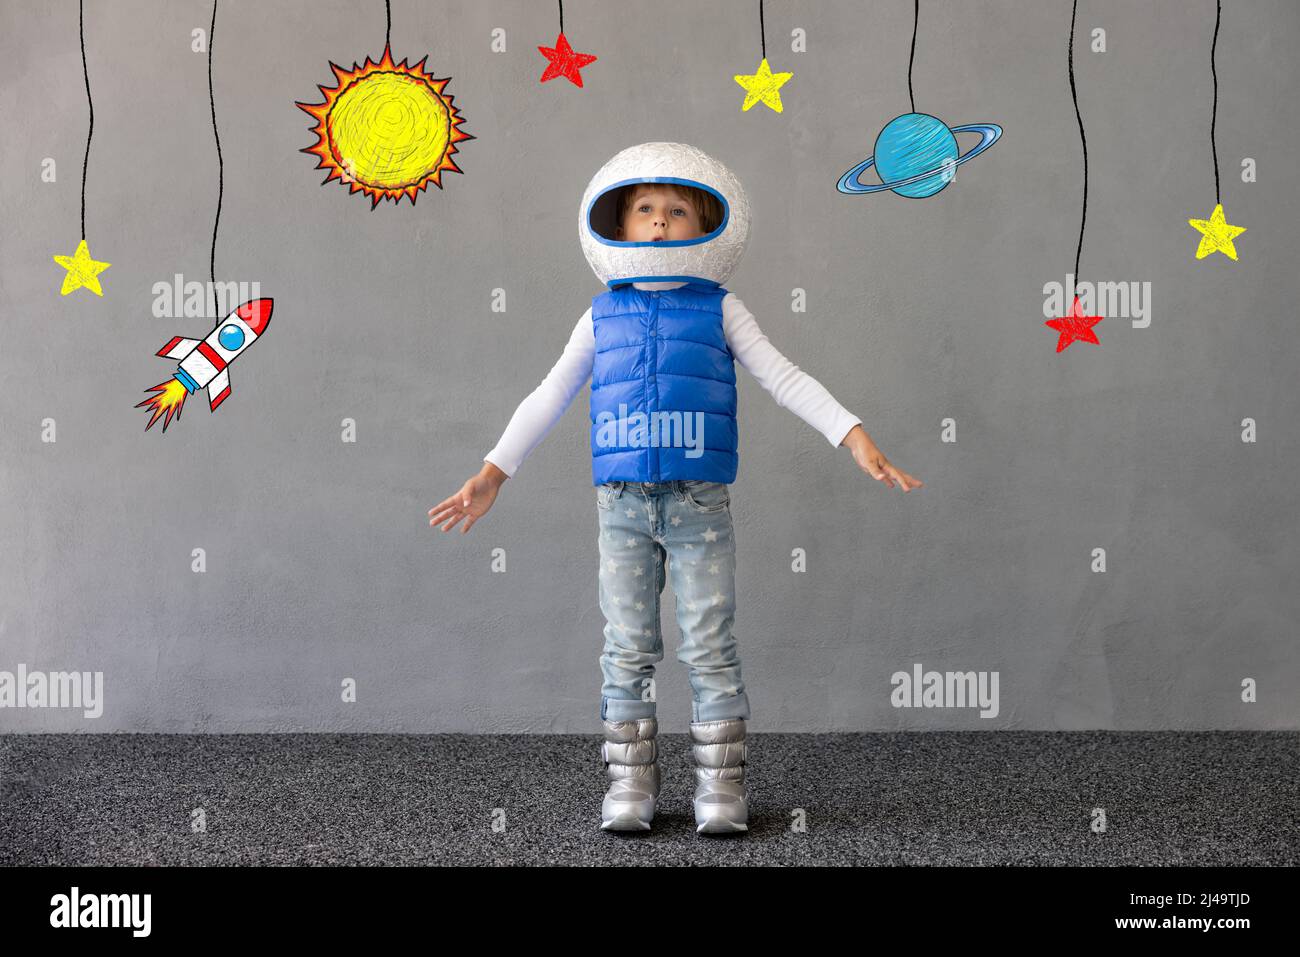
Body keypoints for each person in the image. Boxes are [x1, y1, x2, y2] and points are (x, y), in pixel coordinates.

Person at [429, 143, 922, 835]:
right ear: (620, 224)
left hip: (699, 503)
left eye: (677, 210)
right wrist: (493, 471)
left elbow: (784, 377)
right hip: (623, 505)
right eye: (644, 209)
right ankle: (631, 783)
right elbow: (549, 395)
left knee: (711, 643)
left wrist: (853, 434)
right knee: (626, 644)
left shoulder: (722, 310)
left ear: (704, 225)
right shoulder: (600, 316)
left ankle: (721, 787)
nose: (660, 222)